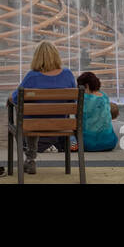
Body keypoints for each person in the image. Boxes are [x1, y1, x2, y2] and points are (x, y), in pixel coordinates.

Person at [10, 41, 76, 174]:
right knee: (34, 117)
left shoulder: (32, 76)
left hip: (34, 124)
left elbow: (16, 98)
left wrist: (9, 99)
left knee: (30, 117)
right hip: (61, 124)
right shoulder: (68, 74)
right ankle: (32, 159)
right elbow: (73, 99)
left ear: (37, 57)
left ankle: (30, 159)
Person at [77, 71, 119, 152]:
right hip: (110, 143)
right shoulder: (104, 95)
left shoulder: (83, 98)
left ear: (86, 86)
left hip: (88, 144)